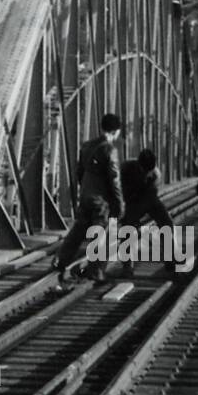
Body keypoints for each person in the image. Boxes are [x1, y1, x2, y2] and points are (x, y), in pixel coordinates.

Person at [55, 113, 124, 286]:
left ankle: (60, 260)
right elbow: (114, 179)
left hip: (85, 195)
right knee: (101, 233)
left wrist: (86, 190)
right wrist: (118, 204)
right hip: (100, 200)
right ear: (115, 131)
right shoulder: (109, 149)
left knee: (78, 230)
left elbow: (79, 173)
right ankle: (96, 271)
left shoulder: (86, 146)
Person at [118, 149, 175, 276]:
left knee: (167, 223)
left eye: (149, 171)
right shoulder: (126, 169)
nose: (147, 173)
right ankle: (127, 266)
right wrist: (124, 209)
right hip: (133, 200)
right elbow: (120, 190)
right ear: (139, 165)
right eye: (144, 170)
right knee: (128, 229)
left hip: (150, 197)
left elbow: (153, 193)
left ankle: (170, 259)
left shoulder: (155, 173)